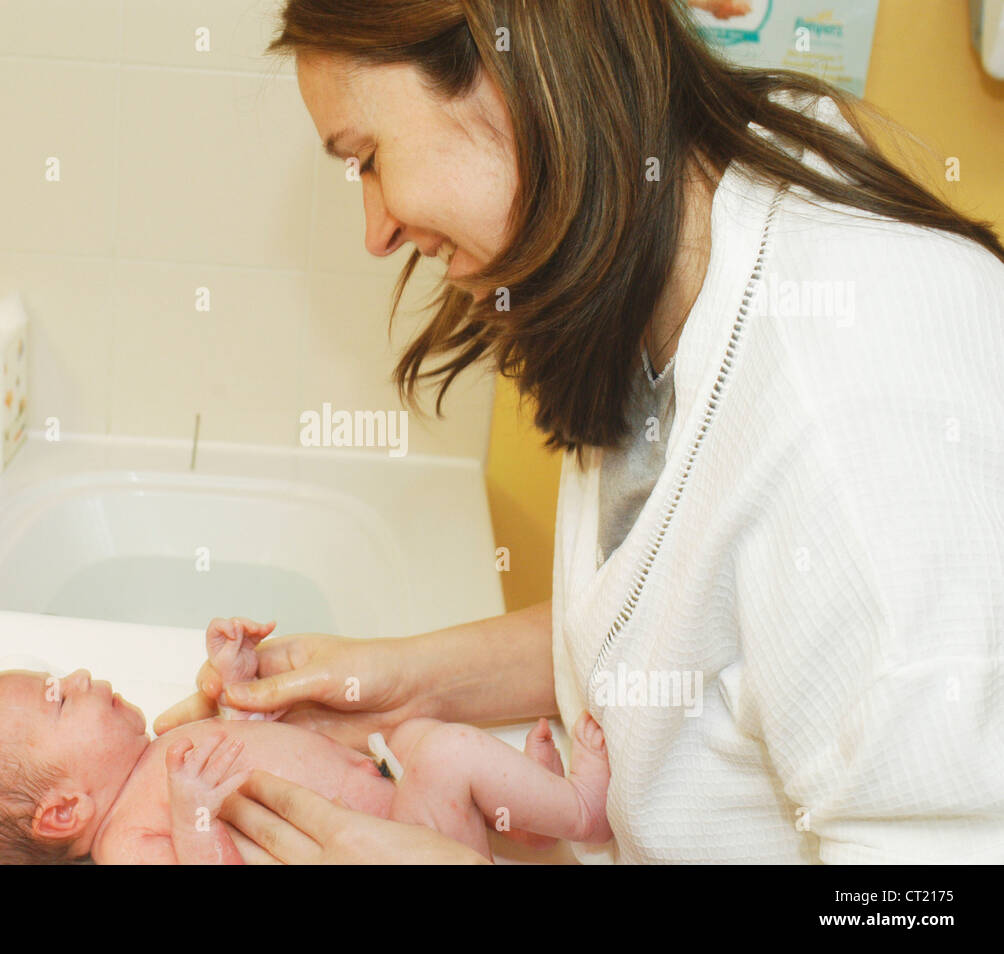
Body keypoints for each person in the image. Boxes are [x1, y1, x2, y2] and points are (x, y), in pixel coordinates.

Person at [156, 0, 1004, 863]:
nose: (375, 232)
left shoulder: (853, 402)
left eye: (368, 159)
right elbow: (715, 633)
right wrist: (401, 687)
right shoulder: (679, 254)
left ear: (502, 68)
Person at [0, 618, 611, 864]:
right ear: (63, 811)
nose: (80, 676)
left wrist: (242, 680)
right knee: (446, 752)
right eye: (58, 698)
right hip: (399, 842)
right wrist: (194, 813)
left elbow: (259, 746)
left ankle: (533, 824)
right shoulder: (129, 841)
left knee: (423, 734)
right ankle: (579, 811)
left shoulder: (165, 750)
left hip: (397, 806)